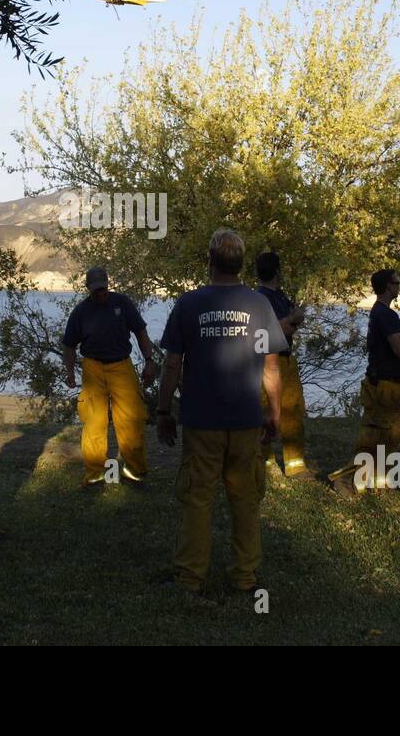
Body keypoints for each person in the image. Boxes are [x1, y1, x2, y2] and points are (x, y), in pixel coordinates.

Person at [157, 229, 287, 594]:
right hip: (246, 421)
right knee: (245, 499)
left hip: (202, 422)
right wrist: (273, 412)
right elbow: (271, 366)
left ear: (210, 262)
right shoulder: (260, 305)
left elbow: (171, 365)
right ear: (241, 265)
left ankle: (189, 579)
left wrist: (164, 410)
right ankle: (245, 577)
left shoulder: (188, 304)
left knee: (197, 499)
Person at [63, 267, 158, 486]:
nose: (101, 293)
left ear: (108, 285)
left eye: (103, 289)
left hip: (121, 366)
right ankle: (96, 472)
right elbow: (69, 345)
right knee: (94, 421)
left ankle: (135, 469)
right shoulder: (81, 312)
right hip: (93, 368)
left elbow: (141, 332)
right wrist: (69, 371)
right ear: (88, 289)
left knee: (131, 419)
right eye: (96, 290)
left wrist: (149, 361)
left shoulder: (122, 303)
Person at [349, 268, 400, 490]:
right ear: (388, 285)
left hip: (390, 383)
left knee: (391, 433)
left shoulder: (384, 313)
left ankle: (380, 479)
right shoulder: (385, 315)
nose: (399, 286)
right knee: (375, 433)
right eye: (397, 283)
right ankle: (352, 481)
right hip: (382, 384)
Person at [254, 251, 310, 478]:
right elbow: (284, 328)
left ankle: (295, 465)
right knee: (264, 411)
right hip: (266, 360)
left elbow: (296, 319)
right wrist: (290, 321)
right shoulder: (260, 297)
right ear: (278, 270)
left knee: (293, 410)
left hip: (285, 359)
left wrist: (288, 322)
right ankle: (263, 463)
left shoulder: (279, 296)